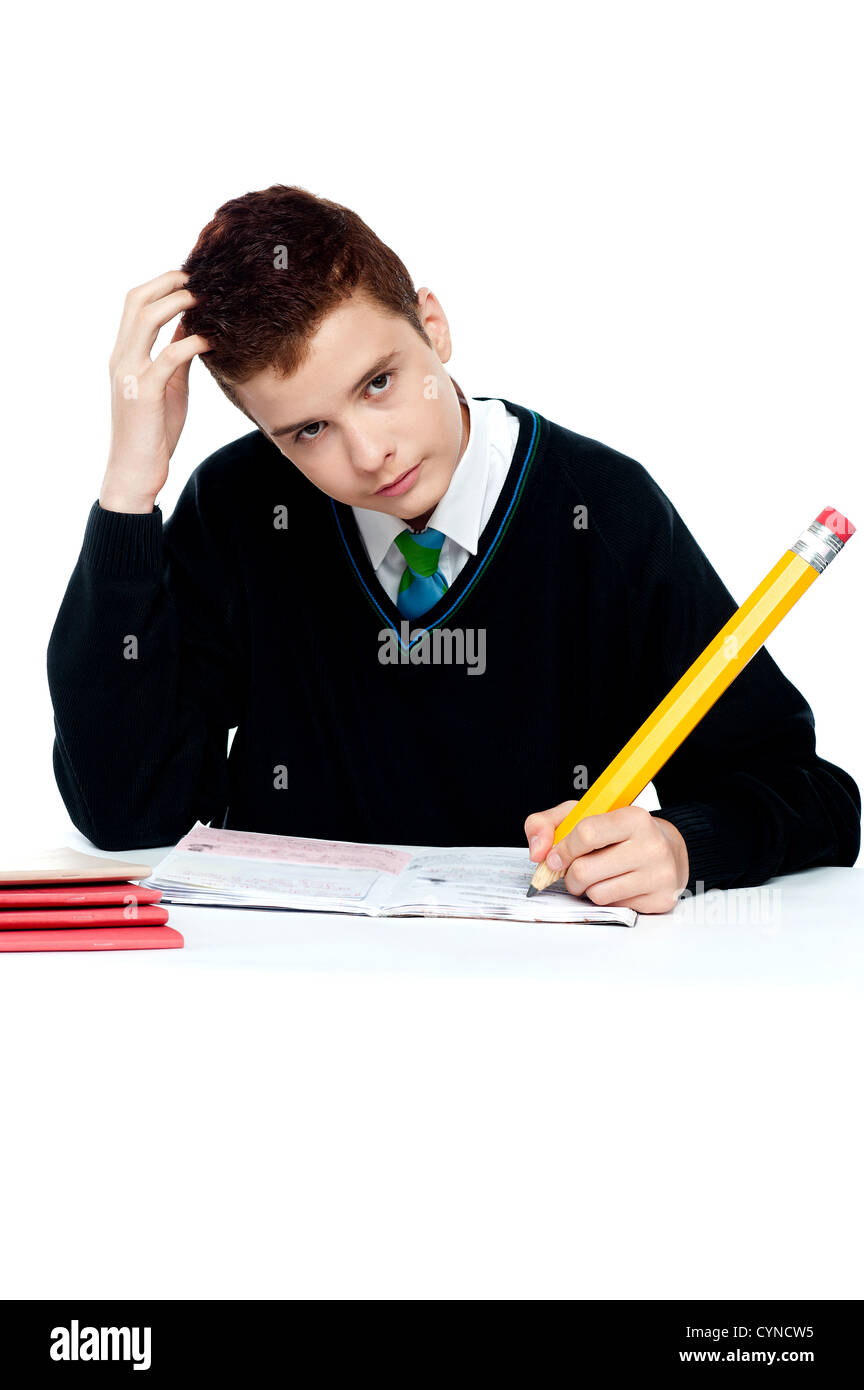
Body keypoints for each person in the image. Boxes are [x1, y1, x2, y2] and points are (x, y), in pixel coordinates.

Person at [47, 184, 861, 914]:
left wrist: (683, 846)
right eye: (308, 430)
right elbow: (125, 812)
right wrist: (129, 493)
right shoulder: (238, 505)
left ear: (432, 325)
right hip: (291, 984)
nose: (370, 454)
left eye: (378, 383)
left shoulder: (601, 509)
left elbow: (812, 796)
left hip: (540, 992)